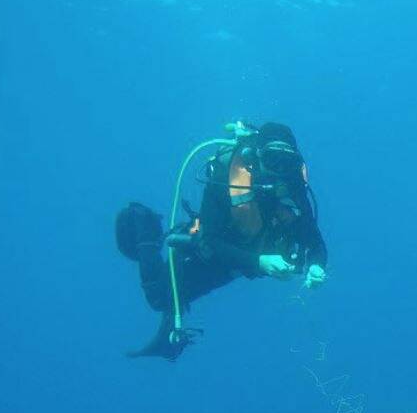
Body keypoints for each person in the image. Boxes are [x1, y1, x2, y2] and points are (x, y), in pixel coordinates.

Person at [116, 122, 329, 361]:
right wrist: (258, 262)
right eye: (272, 160)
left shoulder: (293, 186)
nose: (278, 170)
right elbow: (211, 241)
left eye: (286, 162)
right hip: (218, 251)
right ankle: (144, 225)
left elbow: (314, 239)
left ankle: (168, 330)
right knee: (159, 297)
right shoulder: (226, 177)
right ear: (256, 157)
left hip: (244, 260)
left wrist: (317, 266)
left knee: (174, 297)